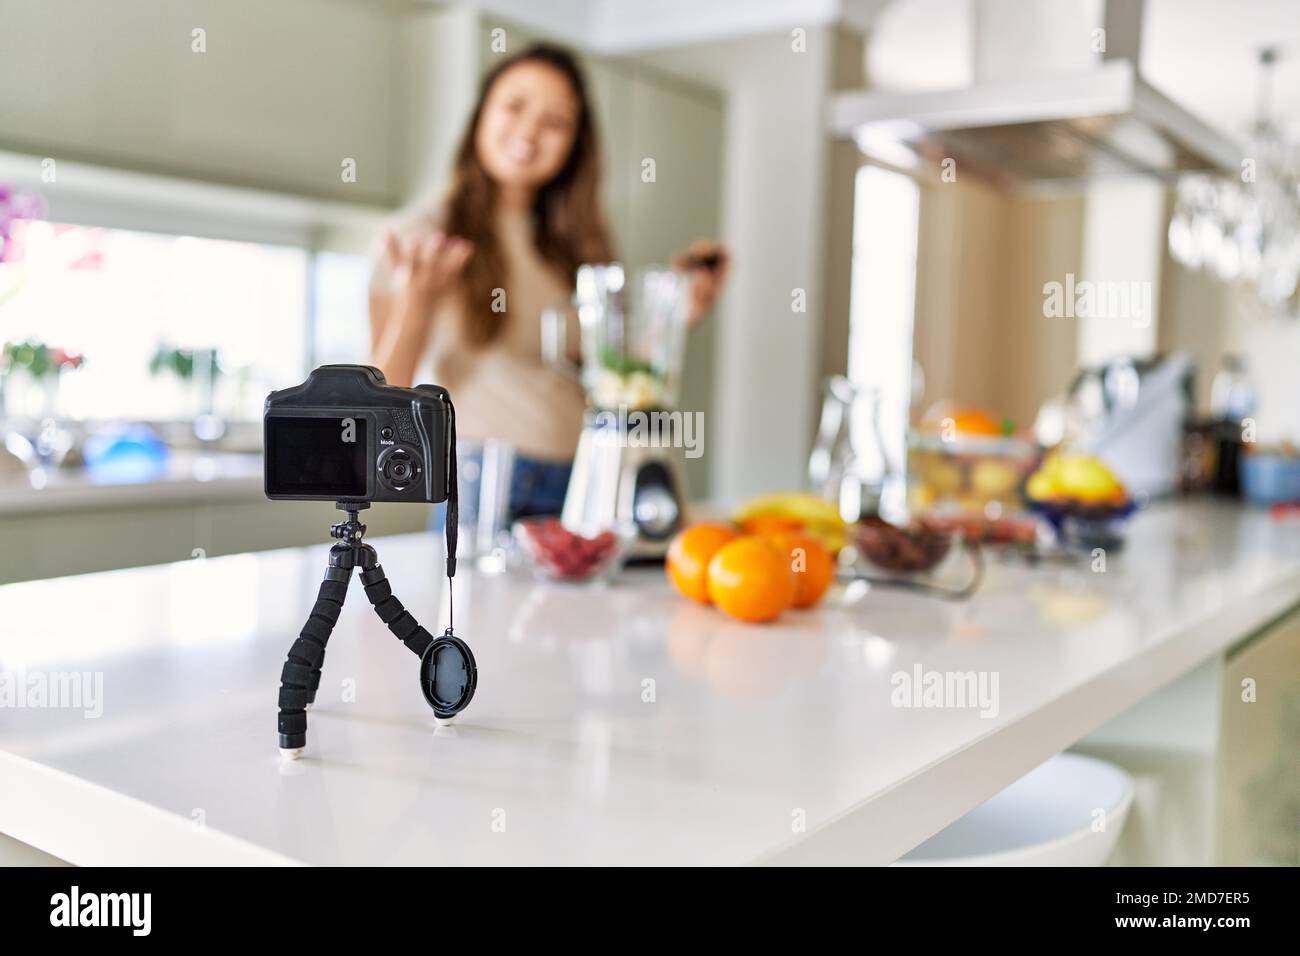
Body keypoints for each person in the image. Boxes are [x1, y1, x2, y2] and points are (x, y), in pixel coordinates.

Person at [368, 43, 728, 522]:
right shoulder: (419, 236)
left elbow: (609, 379)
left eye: (555, 122)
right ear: (482, 113)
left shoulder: (577, 242)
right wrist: (417, 302)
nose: (529, 132)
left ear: (575, 144)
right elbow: (380, 402)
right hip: (488, 488)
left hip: (588, 479)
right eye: (514, 106)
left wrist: (675, 319)